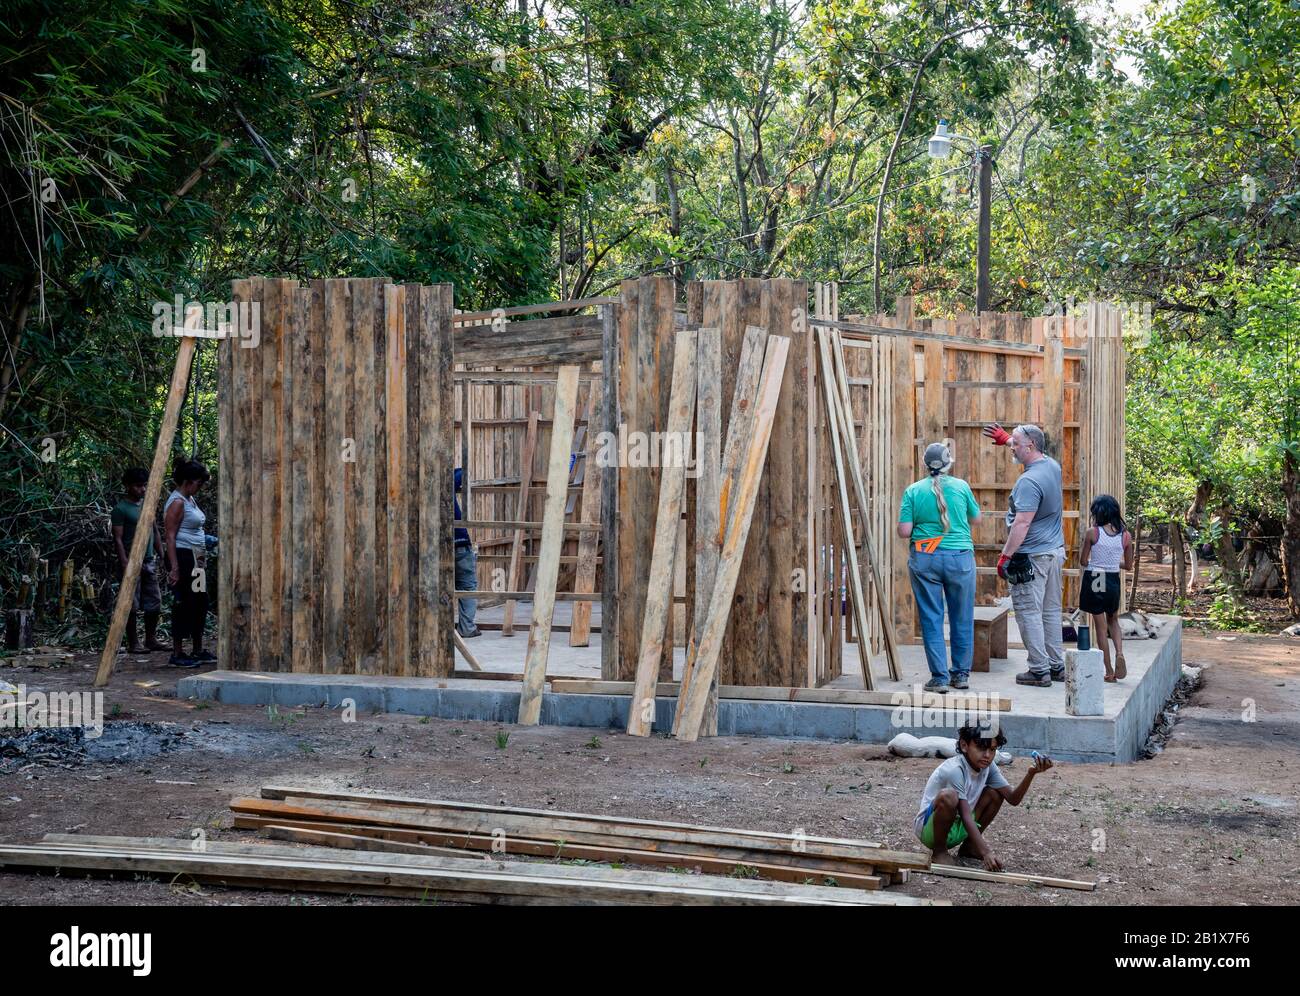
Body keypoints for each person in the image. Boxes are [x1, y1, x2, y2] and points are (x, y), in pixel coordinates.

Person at [984, 422, 1066, 688]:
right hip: (1054, 552)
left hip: (1031, 557)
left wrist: (1005, 556)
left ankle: (1039, 670)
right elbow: (1025, 445)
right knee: (1051, 611)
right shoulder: (1051, 467)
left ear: (1030, 446)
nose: (1012, 449)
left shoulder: (1028, 481)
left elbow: (1022, 523)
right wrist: (1008, 438)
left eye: (1016, 445)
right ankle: (1055, 665)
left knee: (1028, 611)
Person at [896, 442, 981, 692]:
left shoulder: (913, 490)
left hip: (926, 556)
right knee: (962, 616)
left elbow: (904, 531)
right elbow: (976, 519)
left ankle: (940, 678)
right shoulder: (962, 486)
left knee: (932, 617)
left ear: (925, 464)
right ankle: (961, 675)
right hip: (960, 556)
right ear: (948, 463)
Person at [914, 724, 1054, 869]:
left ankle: (969, 847)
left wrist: (1031, 773)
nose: (987, 755)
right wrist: (987, 852)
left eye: (992, 749)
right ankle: (939, 852)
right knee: (949, 796)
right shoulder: (954, 770)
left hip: (958, 825)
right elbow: (966, 814)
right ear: (964, 745)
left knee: (995, 793)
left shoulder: (988, 766)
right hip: (931, 830)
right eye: (981, 747)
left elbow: (1013, 799)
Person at [110, 467, 166, 654]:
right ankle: (133, 642)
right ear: (127, 486)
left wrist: (163, 555)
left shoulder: (147, 506)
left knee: (154, 600)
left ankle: (150, 639)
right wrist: (125, 561)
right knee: (130, 603)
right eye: (137, 486)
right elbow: (117, 538)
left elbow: (155, 531)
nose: (142, 490)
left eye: (144, 486)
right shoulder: (120, 509)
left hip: (149, 560)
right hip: (131, 561)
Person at [1079, 494, 1134, 682]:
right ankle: (1120, 653)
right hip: (1112, 579)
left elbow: (1083, 561)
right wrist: (1112, 563)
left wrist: (1099, 561)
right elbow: (1128, 566)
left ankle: (1110, 671)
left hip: (1096, 577)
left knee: (1100, 627)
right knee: (1113, 621)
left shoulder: (1093, 533)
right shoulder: (1125, 536)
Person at [164, 459, 211, 667]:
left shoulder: (190, 499)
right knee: (184, 602)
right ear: (187, 481)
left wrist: (201, 559)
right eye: (198, 483)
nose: (200, 487)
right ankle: (177, 652)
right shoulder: (177, 502)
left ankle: (197, 649)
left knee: (200, 601)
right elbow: (170, 536)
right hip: (183, 557)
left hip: (196, 557)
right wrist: (174, 567)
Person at [453, 467, 480, 638]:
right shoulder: (445, 485)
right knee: (468, 587)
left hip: (432, 549)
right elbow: (460, 472)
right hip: (461, 544)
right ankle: (467, 628)